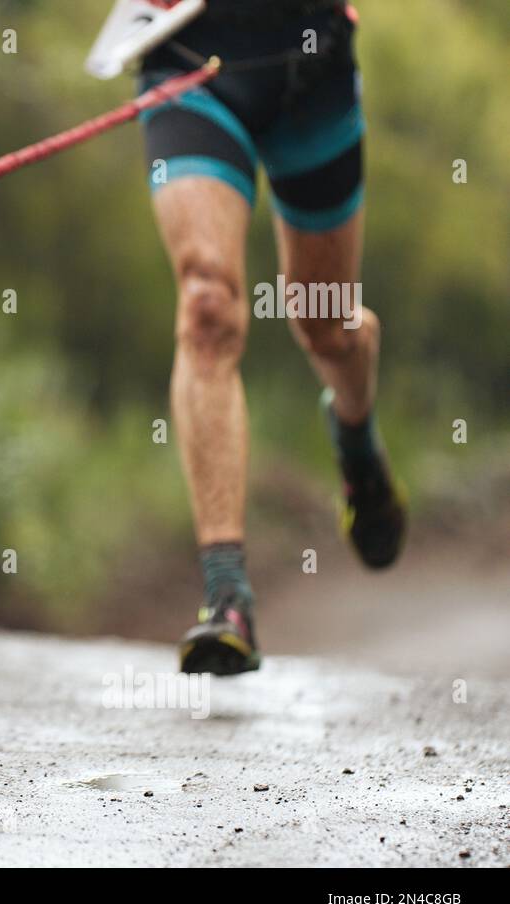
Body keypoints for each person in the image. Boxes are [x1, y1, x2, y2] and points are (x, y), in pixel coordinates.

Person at [135, 0, 406, 674]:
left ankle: (355, 437)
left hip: (309, 70)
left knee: (327, 326)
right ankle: (227, 596)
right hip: (186, 57)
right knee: (206, 304)